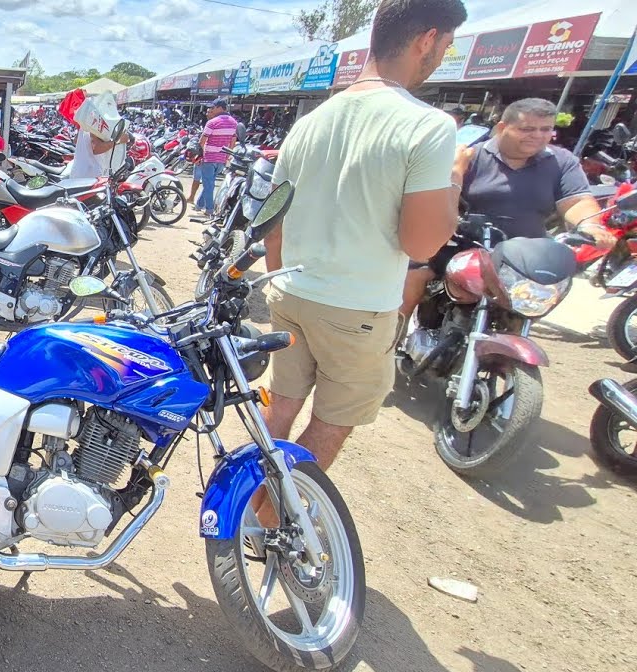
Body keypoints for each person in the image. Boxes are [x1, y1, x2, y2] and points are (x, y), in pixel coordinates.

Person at [259, 0, 467, 477]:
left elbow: (275, 220)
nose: (441, 58)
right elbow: (422, 246)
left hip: (292, 291)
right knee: (332, 421)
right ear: (426, 39)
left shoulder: (309, 123)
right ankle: (271, 520)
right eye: (446, 46)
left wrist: (280, 285)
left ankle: (250, 505)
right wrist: (454, 178)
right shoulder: (428, 125)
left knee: (281, 406)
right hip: (356, 307)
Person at [400, 97, 614, 321]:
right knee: (416, 274)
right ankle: (388, 344)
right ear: (502, 127)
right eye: (527, 129)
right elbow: (436, 200)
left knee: (535, 302)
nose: (538, 135)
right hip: (464, 247)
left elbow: (576, 201)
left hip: (524, 257)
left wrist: (591, 226)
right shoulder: (470, 156)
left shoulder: (561, 161)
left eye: (546, 129)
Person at [189, 99, 237, 218]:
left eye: (213, 107)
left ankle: (209, 209)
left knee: (208, 184)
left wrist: (199, 154)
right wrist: (228, 156)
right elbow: (233, 141)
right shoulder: (234, 123)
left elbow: (202, 141)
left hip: (209, 157)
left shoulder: (212, 122)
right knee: (210, 182)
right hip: (222, 157)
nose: (211, 110)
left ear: (220, 108)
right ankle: (200, 204)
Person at [66, 92, 129, 180]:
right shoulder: (96, 124)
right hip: (90, 176)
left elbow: (76, 140)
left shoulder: (88, 121)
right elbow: (96, 149)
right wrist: (117, 140)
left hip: (79, 171)